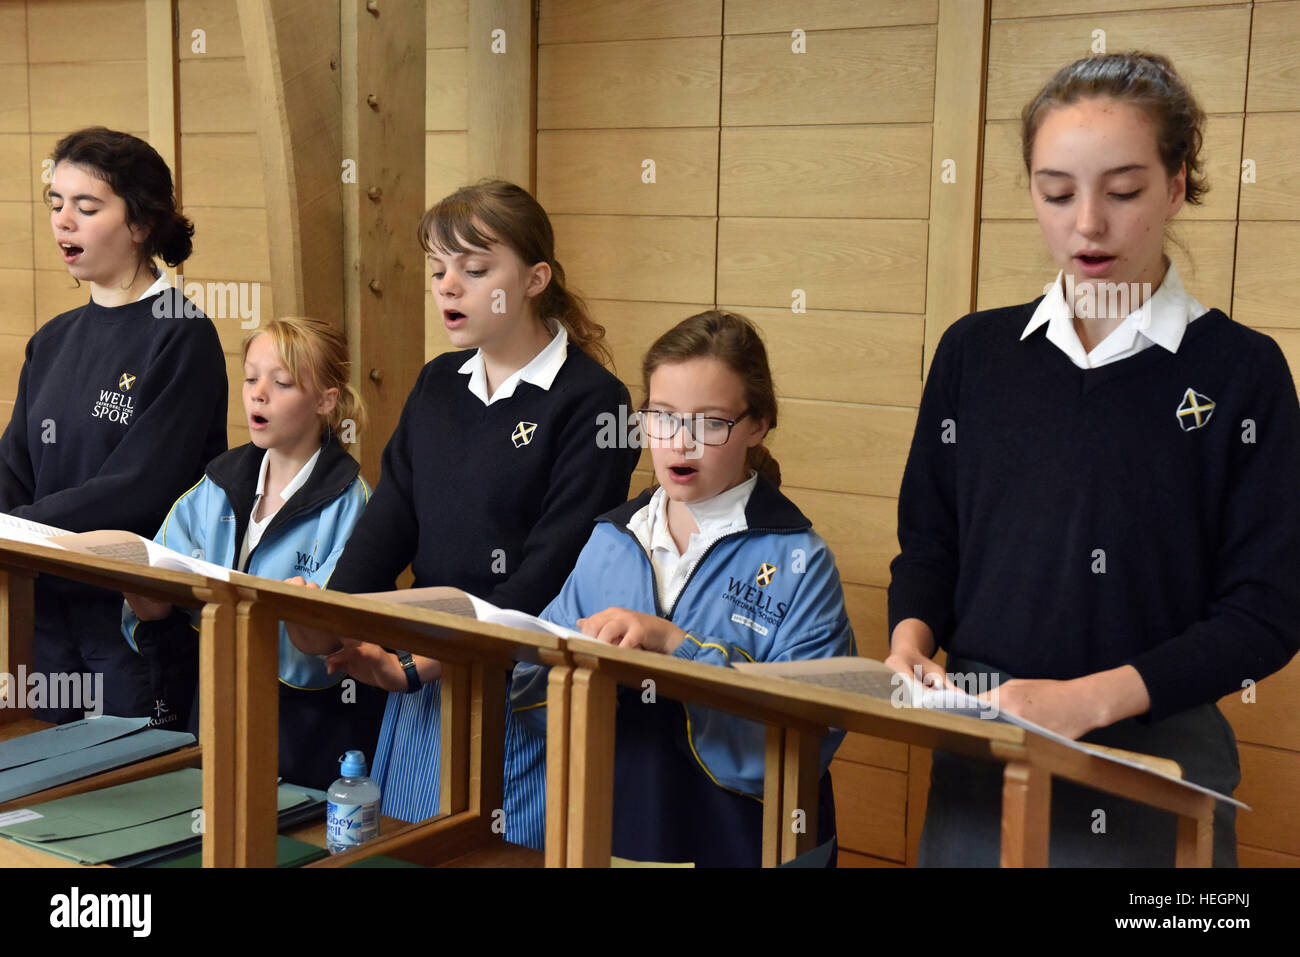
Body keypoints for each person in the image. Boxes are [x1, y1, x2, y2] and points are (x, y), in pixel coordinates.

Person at [886, 52, 1300, 867]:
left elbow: (1267, 611)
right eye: (1057, 192)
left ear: (1177, 184)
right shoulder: (976, 354)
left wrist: (1084, 701)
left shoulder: (1241, 372)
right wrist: (910, 639)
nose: (1087, 225)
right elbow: (932, 542)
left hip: (1155, 758)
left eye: (1123, 191)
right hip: (986, 744)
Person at [290, 181, 639, 824]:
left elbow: (554, 566)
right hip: (422, 667)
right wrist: (328, 613)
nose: (449, 286)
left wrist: (426, 662)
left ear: (535, 279)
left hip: (522, 681)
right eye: (438, 269)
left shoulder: (595, 401)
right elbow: (389, 519)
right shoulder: (438, 383)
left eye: (475, 270)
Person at [506, 310, 856, 865]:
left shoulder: (799, 559)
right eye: (662, 417)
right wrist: (597, 674)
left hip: (745, 838)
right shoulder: (610, 538)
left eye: (711, 422)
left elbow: (813, 729)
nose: (680, 443)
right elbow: (530, 691)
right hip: (619, 825)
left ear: (759, 424)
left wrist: (676, 649)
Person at [0, 127, 227, 724]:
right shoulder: (51, 340)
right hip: (44, 613)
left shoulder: (182, 333)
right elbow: (15, 469)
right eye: (56, 204)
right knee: (42, 807)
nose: (63, 222)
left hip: (132, 622)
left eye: (87, 206)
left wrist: (18, 530)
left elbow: (143, 484)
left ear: (142, 223)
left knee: (131, 799)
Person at [121, 318, 380, 790]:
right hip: (216, 698)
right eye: (250, 378)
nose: (258, 394)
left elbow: (327, 643)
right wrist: (135, 577)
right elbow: (155, 597)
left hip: (306, 721)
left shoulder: (351, 500)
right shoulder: (217, 483)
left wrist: (301, 609)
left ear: (326, 401)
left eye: (280, 383)